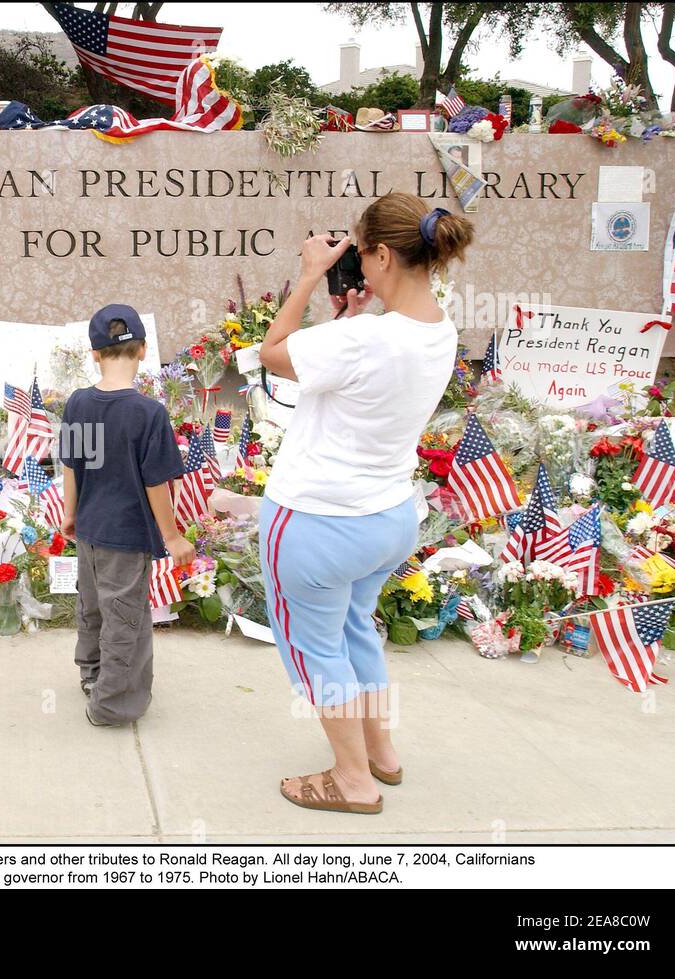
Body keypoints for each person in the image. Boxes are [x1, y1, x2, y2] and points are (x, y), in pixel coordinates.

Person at [256, 193, 473, 815]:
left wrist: (307, 276)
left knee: (315, 649)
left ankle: (352, 780)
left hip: (317, 522)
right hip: (389, 518)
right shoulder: (438, 329)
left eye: (363, 253)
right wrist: (353, 318)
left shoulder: (365, 340)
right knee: (355, 633)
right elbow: (365, 370)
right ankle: (381, 751)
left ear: (379, 254)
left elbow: (275, 353)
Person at [58, 304, 194, 727]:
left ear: (94, 353)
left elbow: (71, 464)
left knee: (92, 604)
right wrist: (172, 537)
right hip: (127, 533)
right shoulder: (148, 414)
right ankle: (111, 704)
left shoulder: (79, 403)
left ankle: (92, 673)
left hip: (90, 528)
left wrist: (69, 513)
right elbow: (156, 482)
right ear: (144, 350)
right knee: (125, 618)